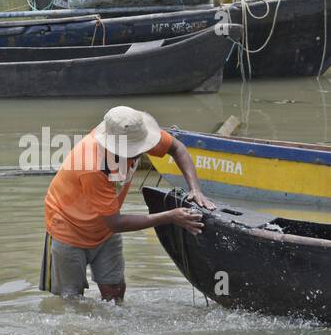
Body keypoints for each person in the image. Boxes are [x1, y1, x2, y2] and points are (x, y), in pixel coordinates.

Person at [41, 105, 214, 301]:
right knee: (71, 300)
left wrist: (195, 189)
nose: (140, 153)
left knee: (115, 292)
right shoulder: (92, 166)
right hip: (68, 227)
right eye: (134, 151)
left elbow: (177, 148)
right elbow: (115, 222)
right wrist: (170, 216)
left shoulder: (133, 133)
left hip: (105, 228)